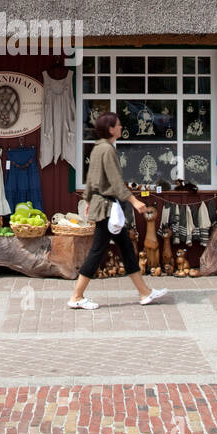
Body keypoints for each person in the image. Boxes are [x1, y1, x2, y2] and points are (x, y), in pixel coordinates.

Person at [68, 111, 169, 309]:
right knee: (97, 252)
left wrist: (88, 199)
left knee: (126, 249)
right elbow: (115, 182)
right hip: (106, 209)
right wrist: (134, 201)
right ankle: (77, 296)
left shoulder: (98, 148)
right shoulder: (107, 150)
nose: (122, 127)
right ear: (111, 129)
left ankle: (144, 292)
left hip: (103, 206)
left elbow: (91, 178)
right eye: (119, 125)